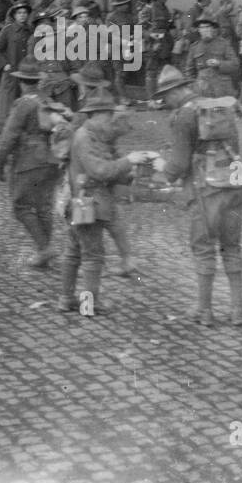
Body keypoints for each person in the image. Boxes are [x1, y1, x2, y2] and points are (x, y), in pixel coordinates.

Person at [152, 64, 242, 325]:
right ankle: (237, 310)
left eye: (166, 96)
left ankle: (204, 310)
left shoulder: (184, 115)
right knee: (232, 247)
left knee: (204, 248)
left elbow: (179, 165)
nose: (165, 101)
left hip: (206, 189)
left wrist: (161, 167)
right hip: (234, 184)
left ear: (175, 91)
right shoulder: (218, 106)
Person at [60, 90, 153, 316]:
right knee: (92, 256)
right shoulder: (85, 137)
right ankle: (88, 305)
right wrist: (128, 161)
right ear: (97, 114)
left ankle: (66, 299)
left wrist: (131, 171)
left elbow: (110, 168)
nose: (111, 119)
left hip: (83, 202)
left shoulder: (94, 135)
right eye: (108, 115)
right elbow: (100, 170)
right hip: (88, 204)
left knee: (73, 252)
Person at [0, 59, 69, 270]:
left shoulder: (23, 104)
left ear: (21, 82)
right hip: (52, 160)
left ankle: (45, 249)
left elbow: (8, 137)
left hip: (29, 161)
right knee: (44, 207)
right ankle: (45, 252)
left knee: (21, 207)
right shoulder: (47, 100)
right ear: (36, 81)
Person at [0, 1, 33, 119]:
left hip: (26, 72)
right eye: (19, 13)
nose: (22, 15)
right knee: (10, 102)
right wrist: (4, 65)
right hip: (12, 72)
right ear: (14, 15)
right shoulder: (7, 30)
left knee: (25, 99)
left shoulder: (30, 30)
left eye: (25, 12)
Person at [183, 15, 238, 97]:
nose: (205, 30)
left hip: (222, 87)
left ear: (212, 28)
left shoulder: (224, 44)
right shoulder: (194, 47)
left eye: (208, 27)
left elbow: (235, 64)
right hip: (202, 88)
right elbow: (189, 71)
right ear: (199, 30)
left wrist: (219, 64)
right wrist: (193, 87)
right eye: (202, 27)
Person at [140, 0, 174, 102]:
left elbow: (168, 26)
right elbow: (140, 28)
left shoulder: (165, 9)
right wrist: (150, 35)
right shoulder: (148, 9)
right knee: (151, 72)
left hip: (164, 45)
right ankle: (151, 99)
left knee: (163, 71)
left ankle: (161, 97)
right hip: (152, 46)